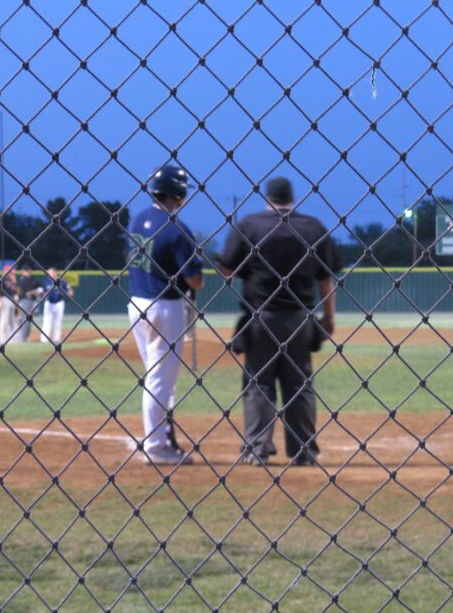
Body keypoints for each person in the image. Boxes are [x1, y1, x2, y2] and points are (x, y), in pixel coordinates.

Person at [219, 176, 342, 467]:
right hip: (301, 318)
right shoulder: (312, 226)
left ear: (267, 199)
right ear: (293, 199)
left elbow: (225, 270)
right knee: (299, 386)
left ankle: (257, 449)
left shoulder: (249, 225)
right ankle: (304, 452)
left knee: (258, 384)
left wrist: (251, 269)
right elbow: (326, 280)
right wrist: (329, 317)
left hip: (261, 317)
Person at [127, 164, 204, 466]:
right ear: (178, 192)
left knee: (155, 376)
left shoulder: (137, 219)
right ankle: (157, 445)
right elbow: (194, 280)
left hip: (136, 304)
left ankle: (162, 432)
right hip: (165, 308)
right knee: (160, 379)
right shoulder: (177, 228)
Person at [40, 267, 73, 344]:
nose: (49, 274)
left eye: (51, 272)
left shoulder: (62, 282)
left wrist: (67, 293)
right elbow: (42, 292)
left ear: (55, 273)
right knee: (46, 321)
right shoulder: (46, 282)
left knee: (58, 321)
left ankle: (56, 338)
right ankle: (44, 339)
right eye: (48, 273)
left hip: (59, 303)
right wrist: (42, 294)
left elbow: (70, 291)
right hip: (49, 303)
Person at [15, 264, 41, 343]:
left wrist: (35, 291)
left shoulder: (32, 279)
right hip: (24, 300)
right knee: (25, 319)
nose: (28, 272)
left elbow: (41, 288)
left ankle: (25, 337)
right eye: (26, 270)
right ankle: (23, 338)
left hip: (30, 301)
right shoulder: (23, 279)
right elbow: (18, 290)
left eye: (28, 270)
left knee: (27, 320)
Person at [0, 264, 18, 343]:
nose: (12, 273)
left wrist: (14, 281)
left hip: (12, 301)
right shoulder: (1, 280)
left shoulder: (11, 280)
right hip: (4, 300)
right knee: (4, 321)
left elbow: (15, 291)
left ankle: (12, 340)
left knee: (13, 321)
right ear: (6, 271)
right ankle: (2, 340)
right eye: (10, 272)